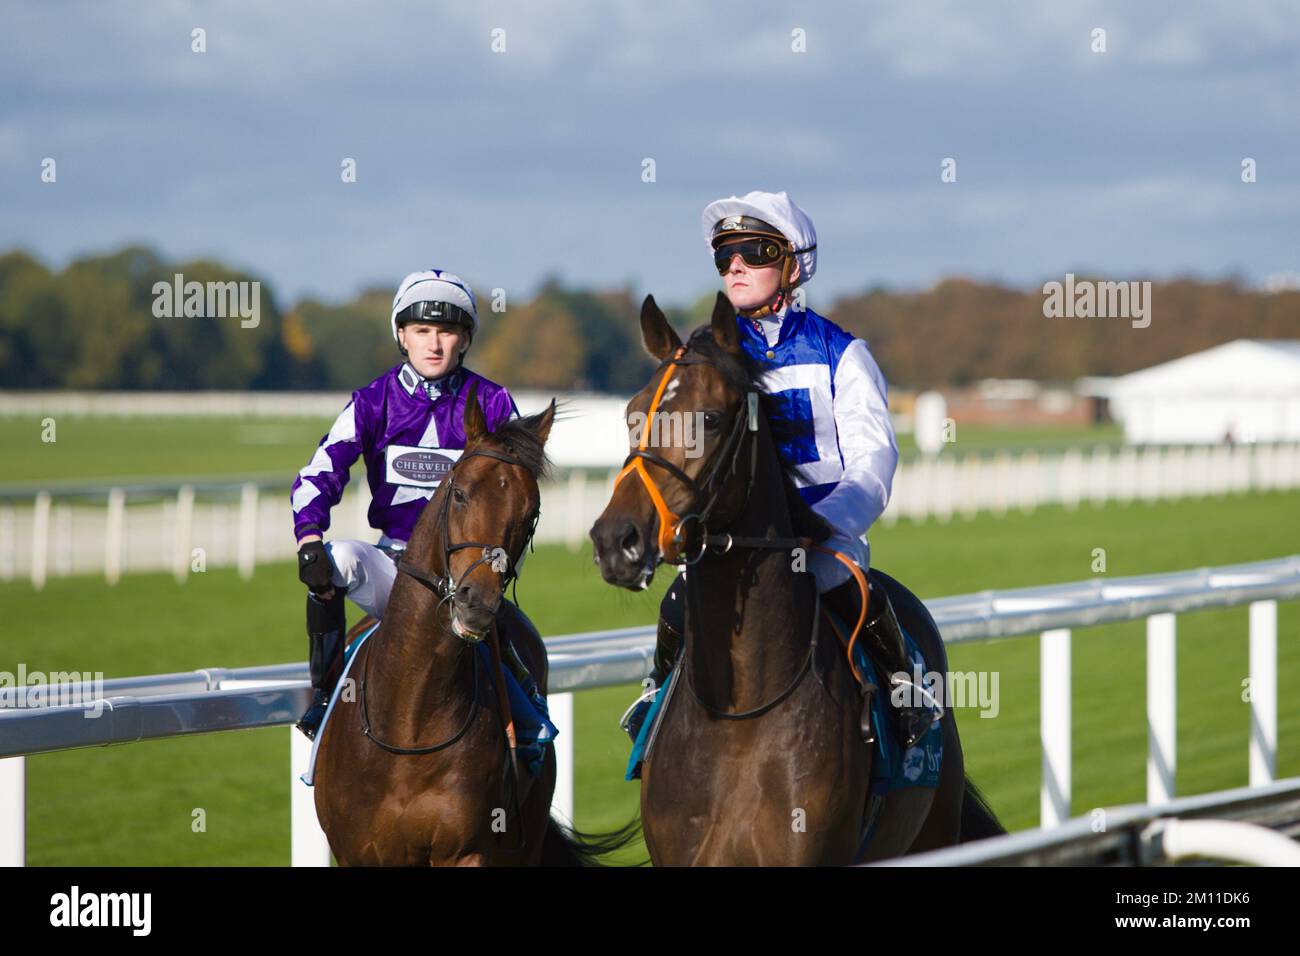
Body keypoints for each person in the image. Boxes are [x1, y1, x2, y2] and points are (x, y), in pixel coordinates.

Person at [622, 190, 938, 751]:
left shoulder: (842, 351)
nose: (736, 266)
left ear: (792, 265)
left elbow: (874, 458)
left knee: (849, 587)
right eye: (725, 256)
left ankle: (903, 691)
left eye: (754, 251)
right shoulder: (706, 357)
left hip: (820, 535)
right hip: (729, 537)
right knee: (680, 597)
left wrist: (830, 521)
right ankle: (657, 691)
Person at [290, 268, 541, 739]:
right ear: (401, 336)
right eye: (421, 330)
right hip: (395, 569)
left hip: (467, 570)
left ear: (464, 339)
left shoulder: (492, 401)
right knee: (337, 559)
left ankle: (527, 715)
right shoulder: (372, 401)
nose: (434, 343)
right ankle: (324, 696)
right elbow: (319, 472)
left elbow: (518, 490)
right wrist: (308, 538)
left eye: (447, 331)